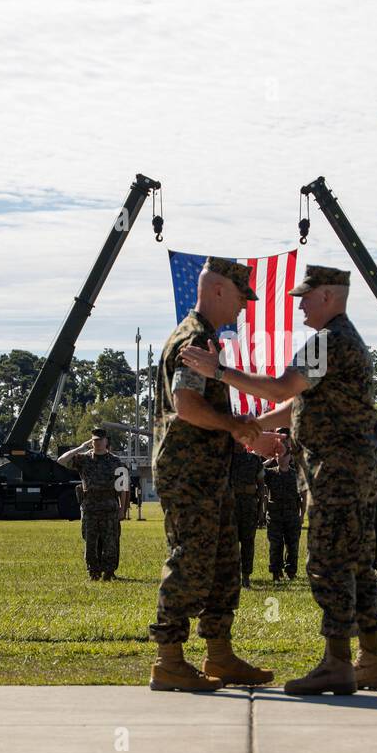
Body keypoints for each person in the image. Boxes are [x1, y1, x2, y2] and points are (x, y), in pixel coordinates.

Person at [182, 263, 377, 695]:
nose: (299, 307)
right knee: (357, 560)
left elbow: (281, 388)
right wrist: (253, 426)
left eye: (305, 298)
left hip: (337, 469)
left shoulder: (327, 342)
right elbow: (298, 406)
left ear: (328, 297)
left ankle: (336, 664)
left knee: (329, 561)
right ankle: (372, 658)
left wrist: (219, 372)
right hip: (356, 466)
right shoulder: (345, 340)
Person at [148, 256, 281, 692]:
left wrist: (242, 433)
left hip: (209, 470)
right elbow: (186, 406)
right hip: (189, 472)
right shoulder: (194, 341)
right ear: (220, 290)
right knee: (192, 557)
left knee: (225, 561)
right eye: (242, 297)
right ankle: (169, 660)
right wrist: (241, 430)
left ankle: (219, 655)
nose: (245, 306)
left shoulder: (207, 340)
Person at [58, 427, 129, 580]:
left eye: (100, 440)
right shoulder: (83, 459)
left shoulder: (116, 462)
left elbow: (123, 488)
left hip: (109, 506)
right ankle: (93, 572)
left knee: (111, 541)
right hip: (90, 506)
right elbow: (61, 460)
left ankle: (109, 572)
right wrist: (80, 447)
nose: (97, 443)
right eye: (94, 440)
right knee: (90, 541)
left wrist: (123, 509)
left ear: (106, 441)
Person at [263, 430, 304, 581]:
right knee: (275, 545)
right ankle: (275, 572)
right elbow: (257, 470)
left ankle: (291, 572)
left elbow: (304, 496)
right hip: (274, 515)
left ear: (290, 457)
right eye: (279, 455)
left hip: (292, 515)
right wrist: (269, 459)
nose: (281, 457)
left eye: (285, 454)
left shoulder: (296, 475)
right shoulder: (271, 473)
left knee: (292, 545)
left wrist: (302, 514)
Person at [229, 446, 264, 588]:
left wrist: (261, 510)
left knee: (248, 541)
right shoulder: (227, 459)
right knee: (231, 542)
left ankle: (246, 575)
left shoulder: (255, 460)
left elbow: (261, 487)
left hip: (249, 505)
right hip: (231, 505)